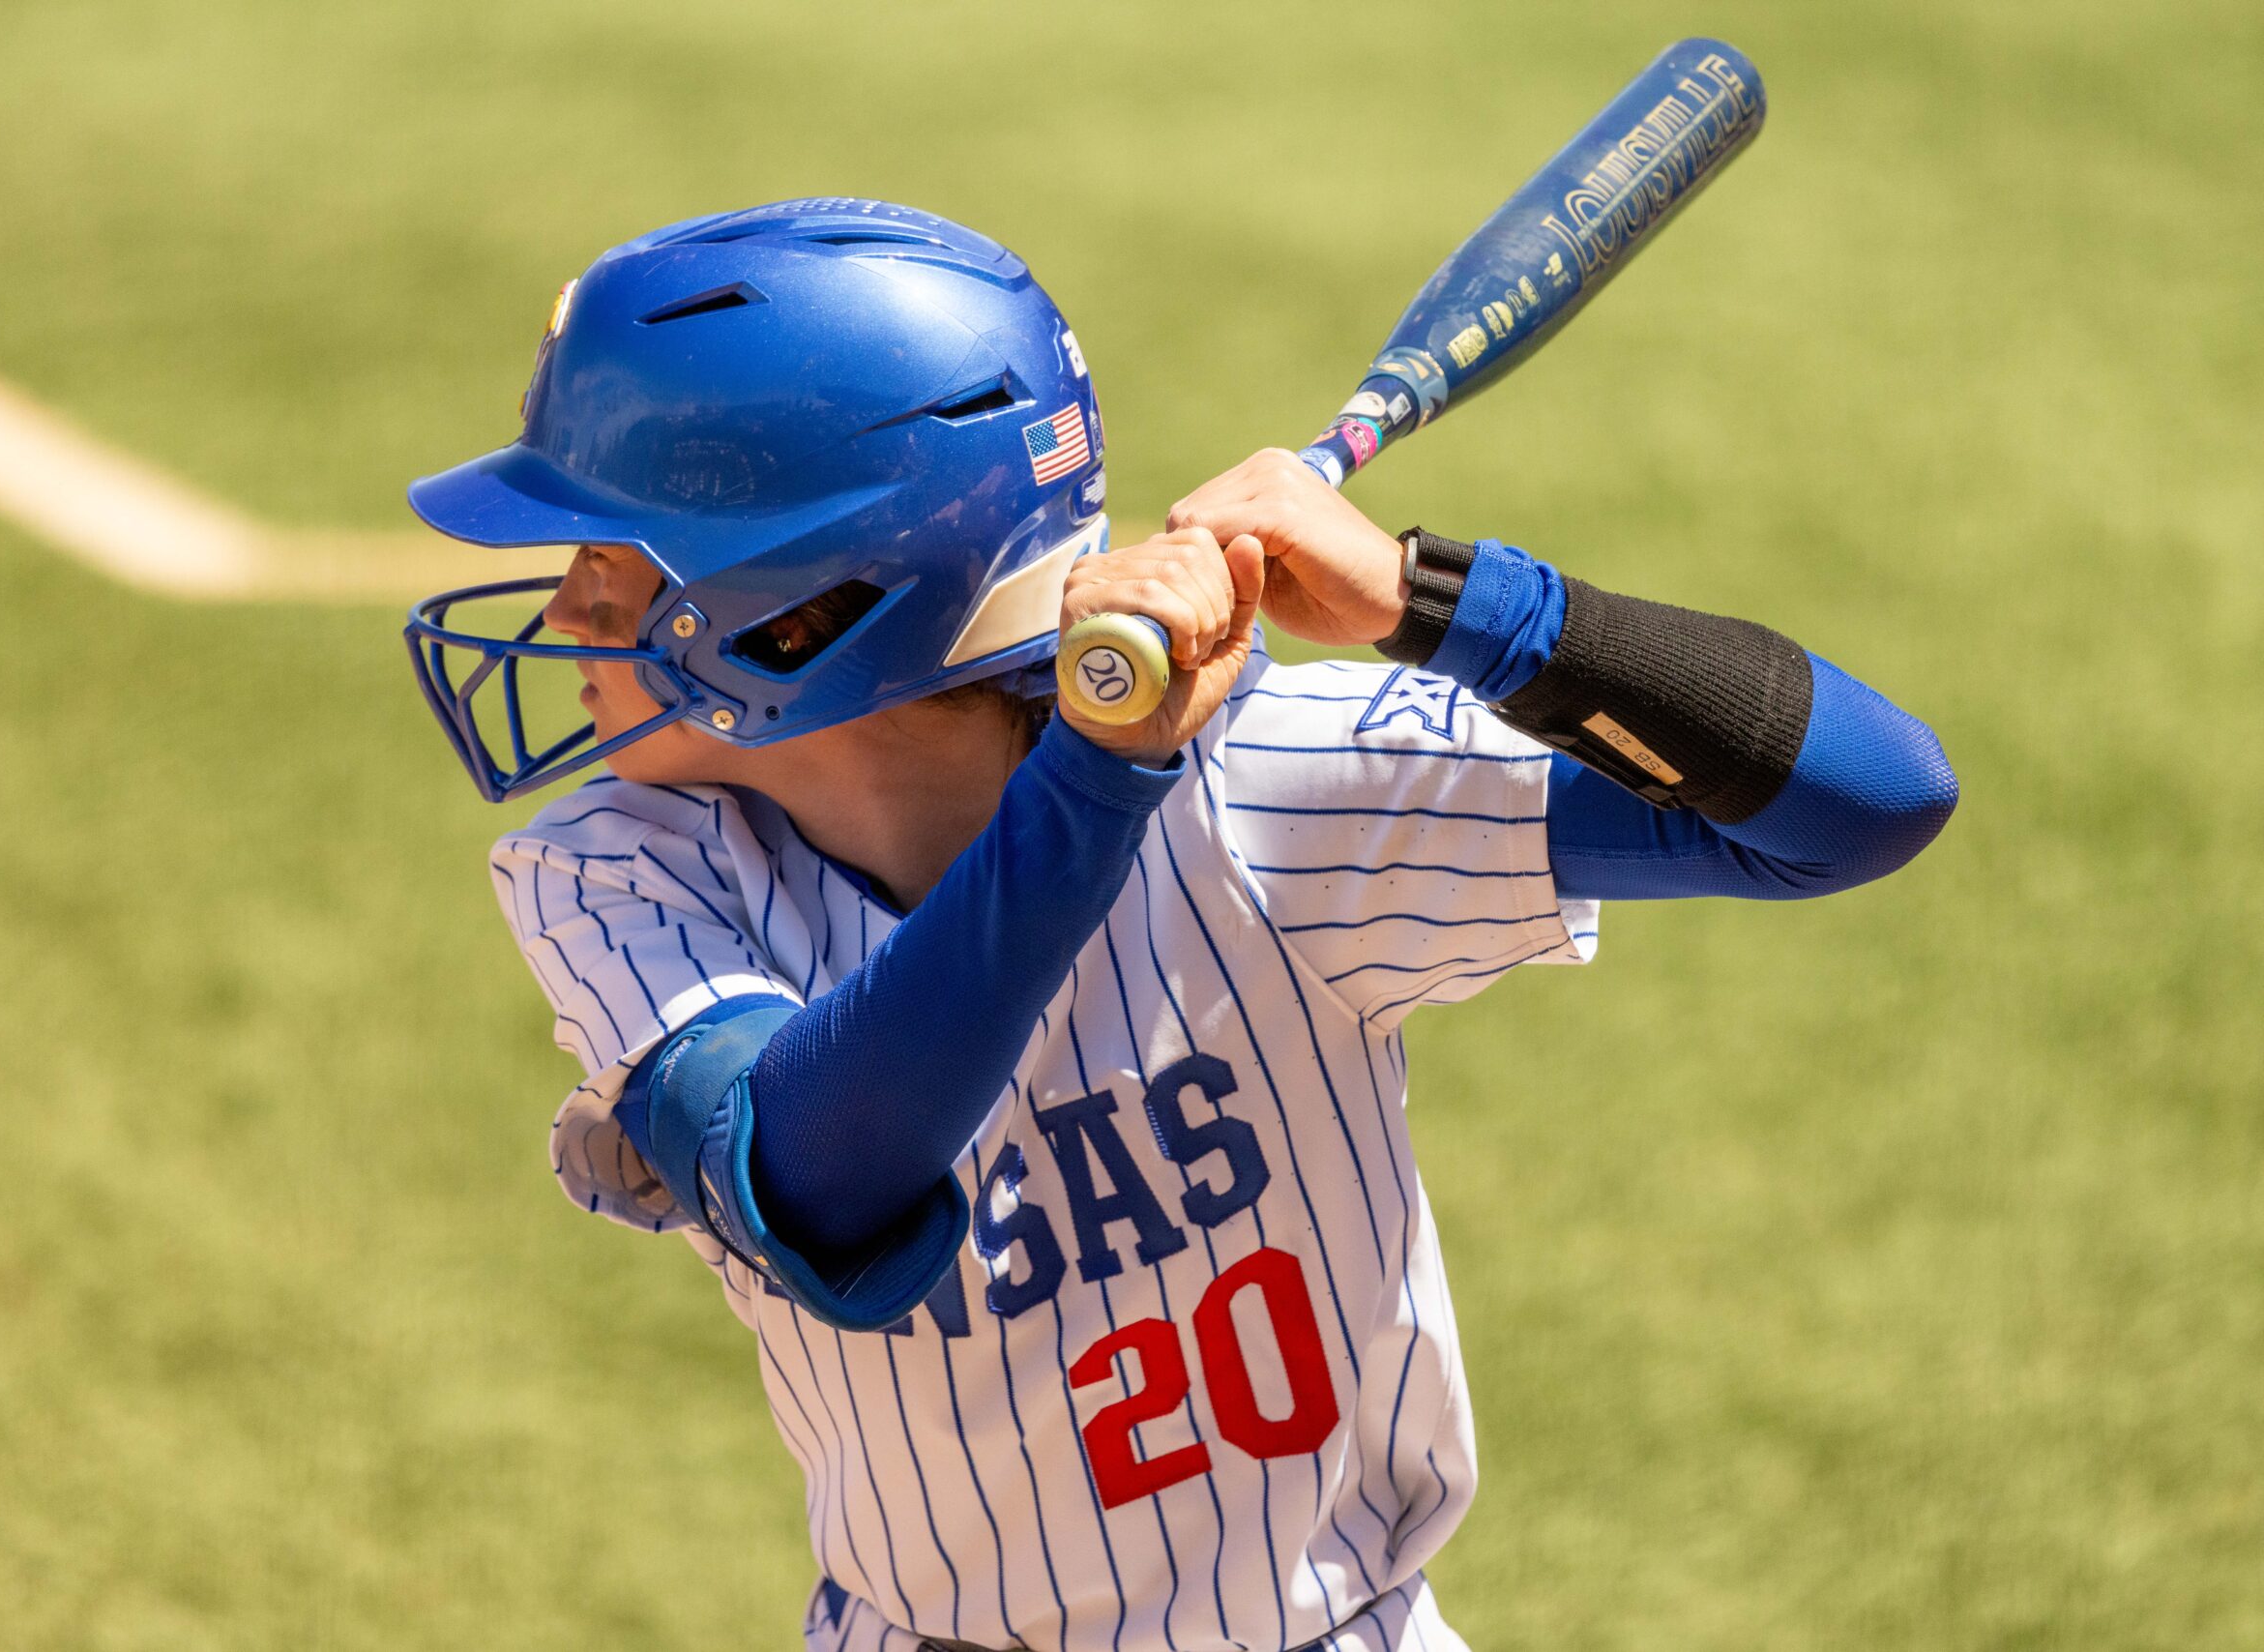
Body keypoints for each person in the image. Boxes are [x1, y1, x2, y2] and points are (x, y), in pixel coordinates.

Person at [400, 199, 1956, 1652]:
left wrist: (1440, 600)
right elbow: (813, 1173)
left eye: (610, 562)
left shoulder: (1265, 786)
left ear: (800, 614)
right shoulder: (616, 874)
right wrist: (1095, 781)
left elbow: (1871, 801)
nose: (561, 613)